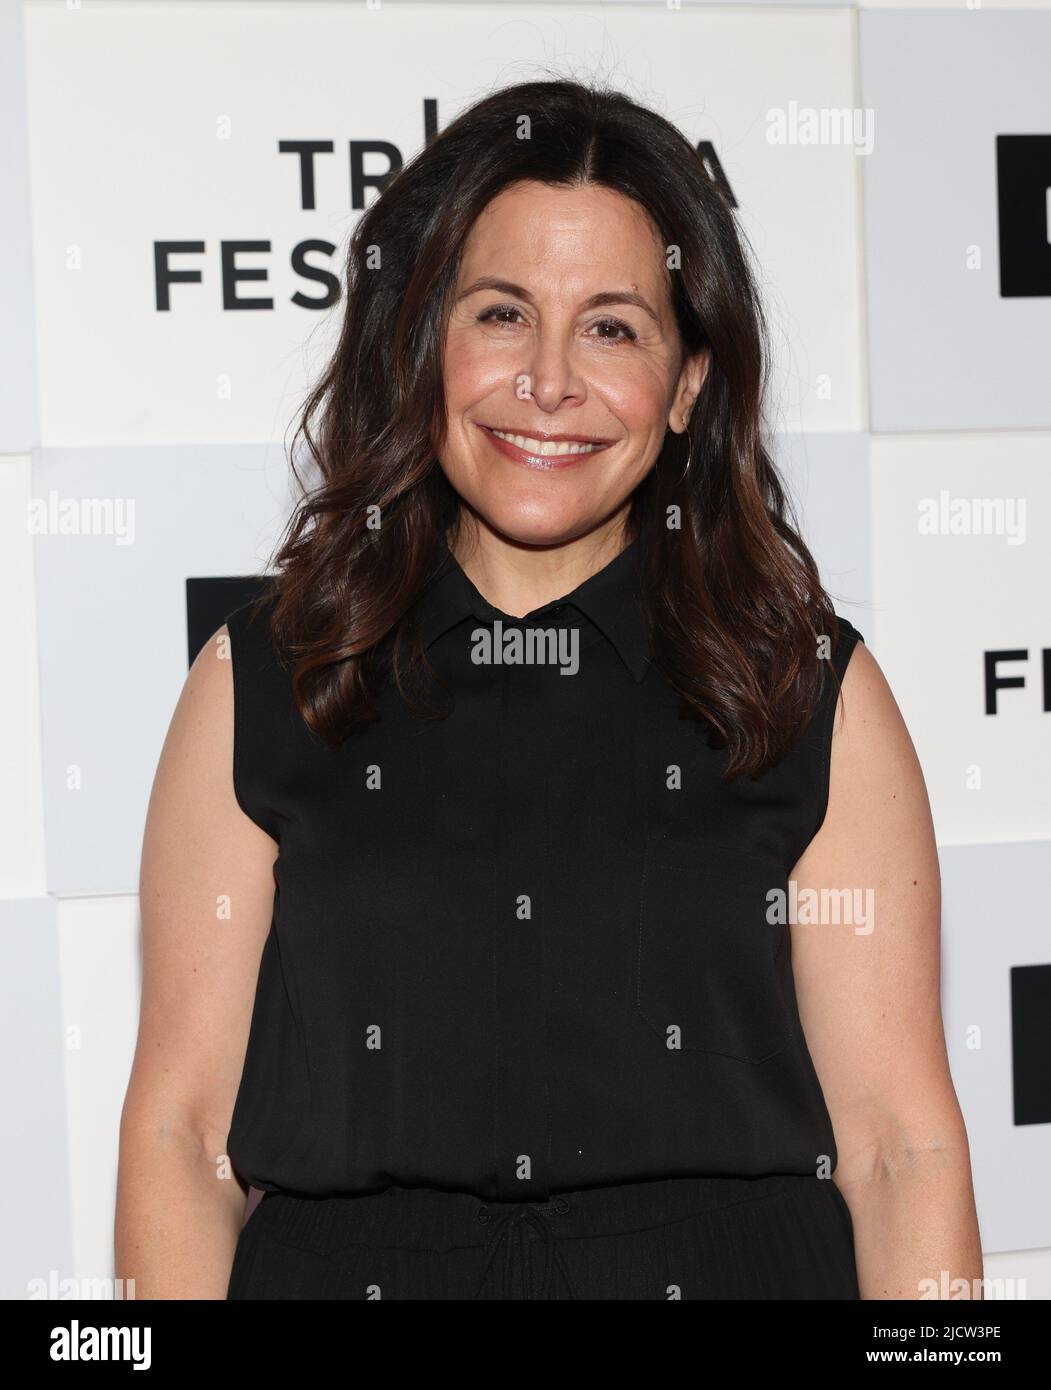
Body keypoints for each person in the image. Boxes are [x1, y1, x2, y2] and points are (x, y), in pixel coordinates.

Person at [116, 79, 981, 1300]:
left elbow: (902, 1150)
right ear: (423, 346)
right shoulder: (266, 680)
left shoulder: (803, 689)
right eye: (502, 314)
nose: (550, 381)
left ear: (688, 385)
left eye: (614, 327)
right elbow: (180, 1142)